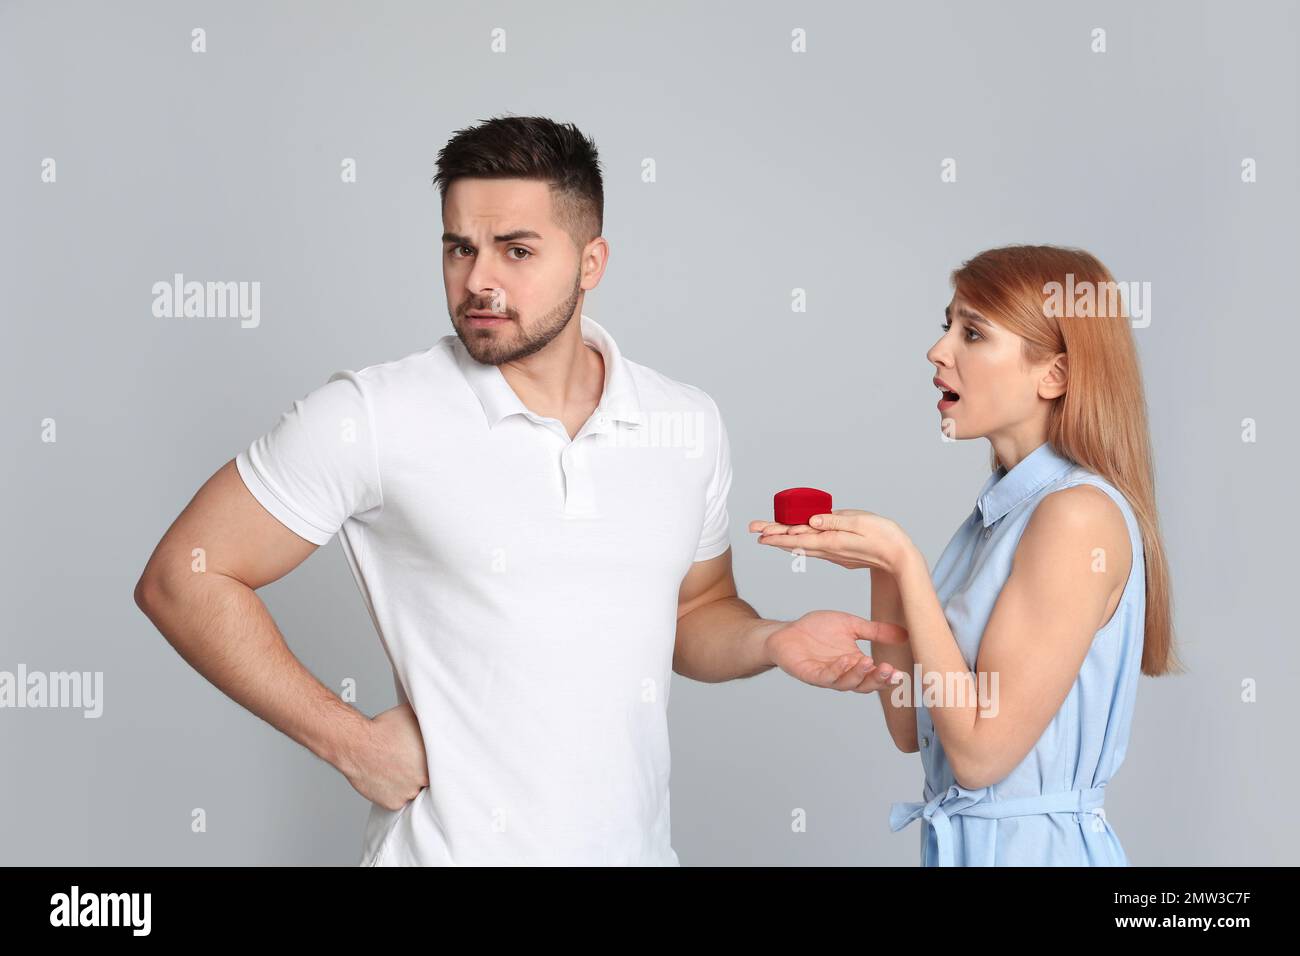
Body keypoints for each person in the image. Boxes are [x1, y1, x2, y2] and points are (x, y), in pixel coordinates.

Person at [133, 115, 906, 866]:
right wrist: (350, 741)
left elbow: (695, 612)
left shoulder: (685, 423)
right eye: (459, 248)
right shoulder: (372, 415)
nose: (479, 281)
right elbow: (184, 577)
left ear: (591, 261)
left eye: (517, 250)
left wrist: (772, 640)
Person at [749, 244, 1180, 866]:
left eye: (972, 332)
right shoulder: (997, 519)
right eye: (946, 325)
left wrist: (903, 561)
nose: (938, 351)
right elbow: (909, 727)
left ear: (1053, 375)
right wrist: (882, 568)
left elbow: (979, 757)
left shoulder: (1075, 516)